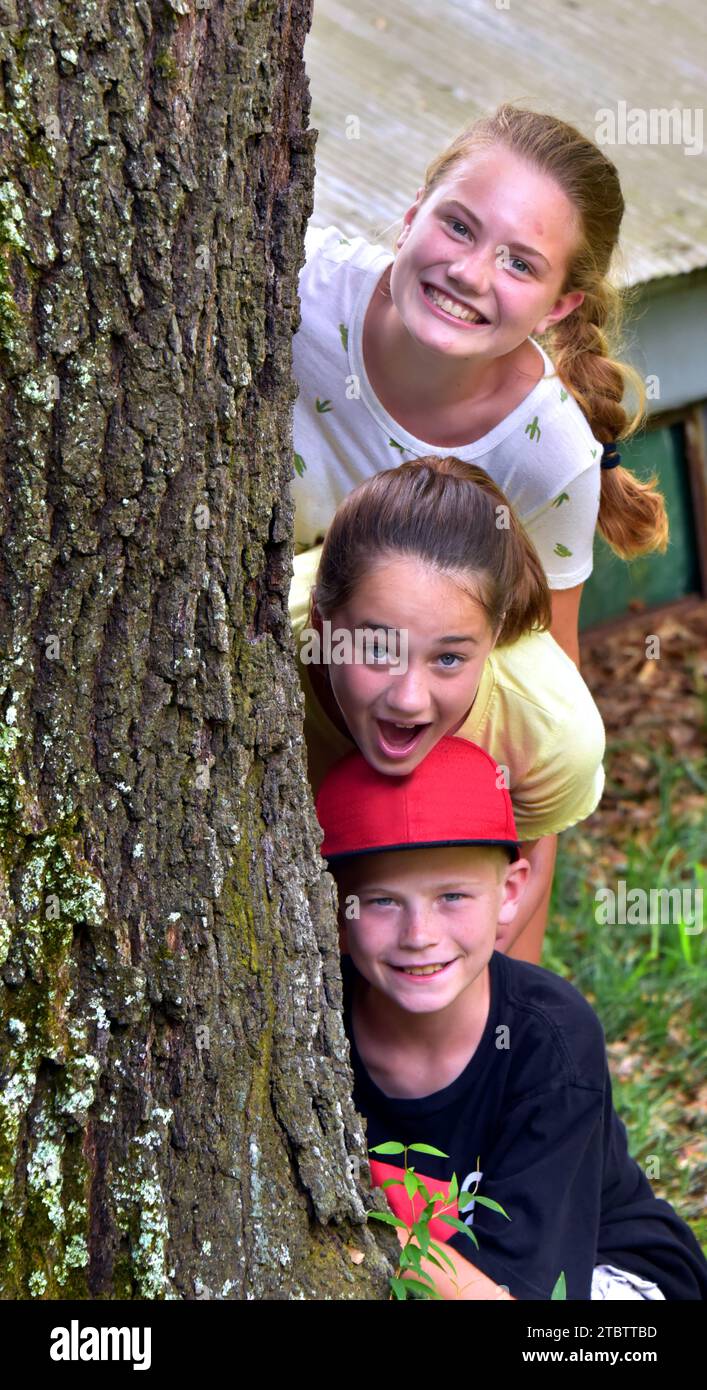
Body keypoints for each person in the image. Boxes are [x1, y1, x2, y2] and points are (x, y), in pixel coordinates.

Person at [315, 737, 707, 1301]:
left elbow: (518, 1302)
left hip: (601, 1277)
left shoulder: (550, 1039)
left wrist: (365, 1241)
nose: (420, 935)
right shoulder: (312, 1026)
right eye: (381, 901)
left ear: (510, 893)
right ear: (331, 904)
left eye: (453, 896)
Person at [291, 103, 668, 667]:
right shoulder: (294, 288)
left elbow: (545, 687)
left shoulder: (548, 456)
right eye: (459, 227)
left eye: (520, 265)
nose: (470, 274)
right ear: (413, 216)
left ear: (559, 307)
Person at [290, 455, 605, 963]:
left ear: (496, 635)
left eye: (450, 658)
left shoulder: (549, 732)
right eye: (376, 650)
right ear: (324, 625)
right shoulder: (255, 652)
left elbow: (513, 880)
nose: (409, 698)